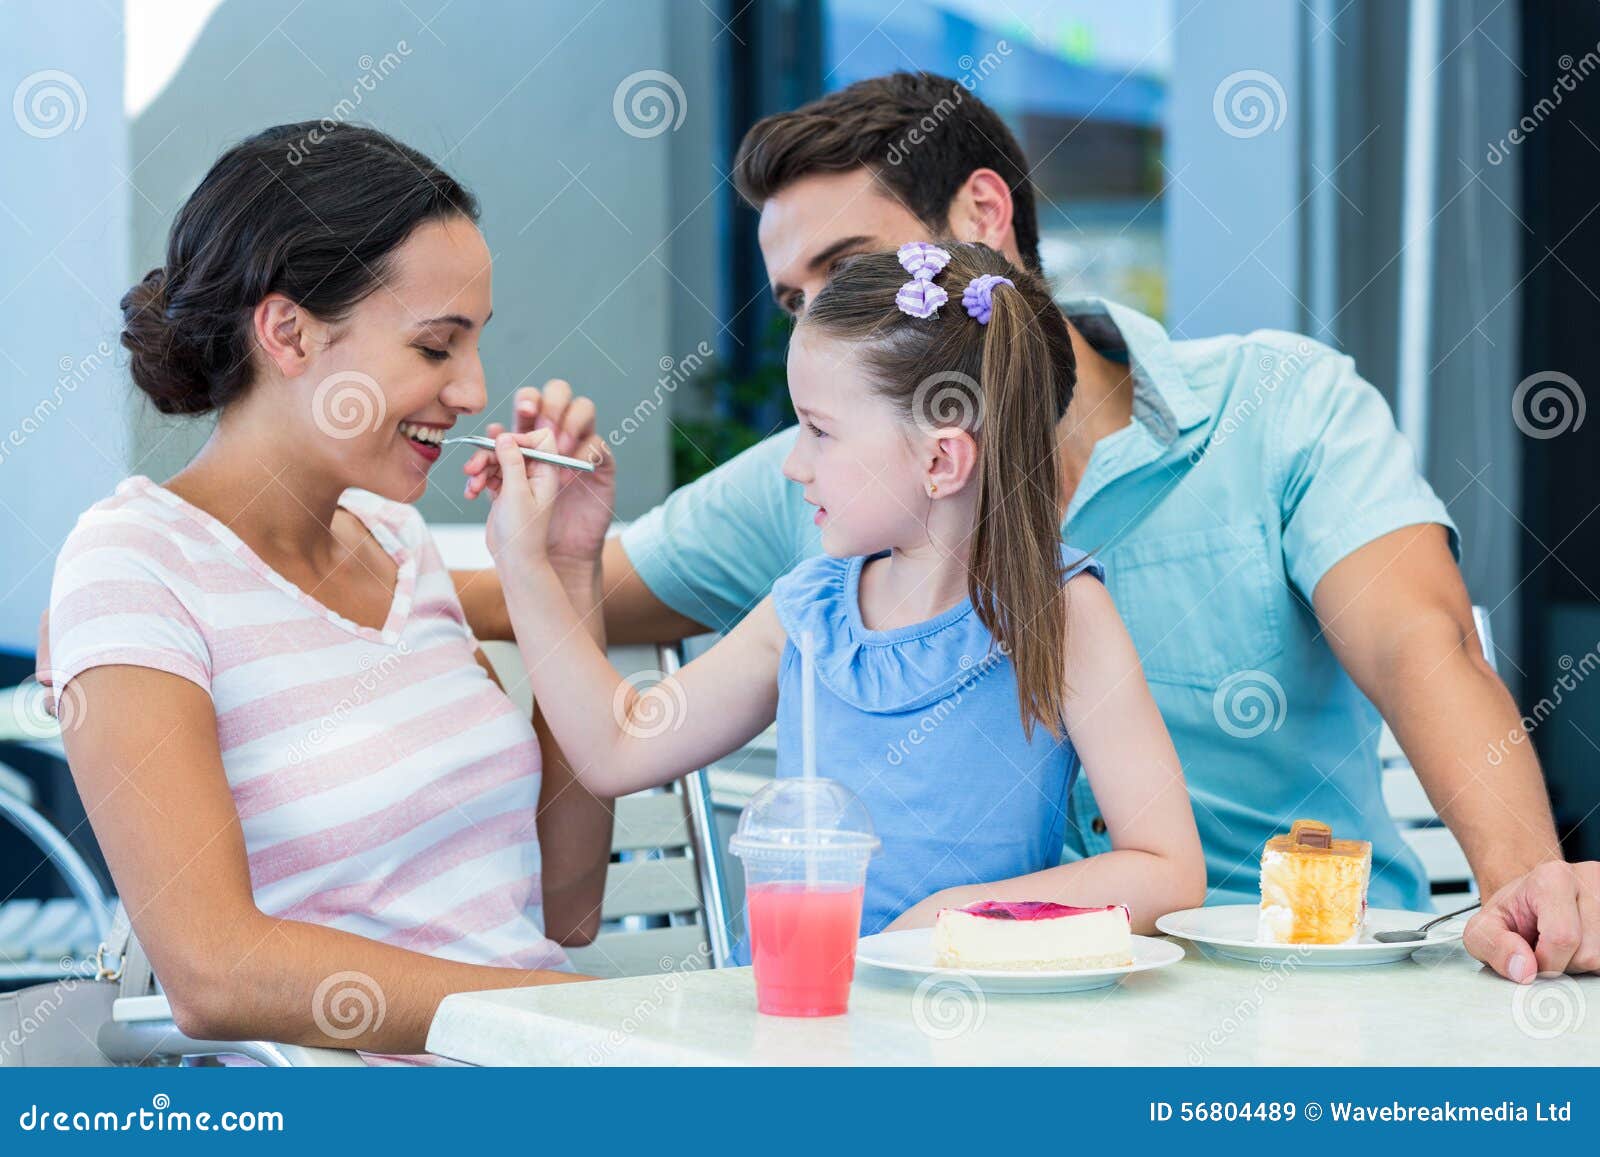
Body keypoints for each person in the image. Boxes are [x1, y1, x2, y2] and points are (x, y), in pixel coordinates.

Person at [46, 123, 613, 1061]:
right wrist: (547, 1017)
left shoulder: (400, 542)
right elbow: (213, 968)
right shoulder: (132, 568)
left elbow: (568, 903)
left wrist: (568, 572)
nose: (472, 389)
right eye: (436, 347)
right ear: (289, 332)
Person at [476, 242, 1205, 939]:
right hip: (799, 1027)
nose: (795, 464)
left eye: (819, 432)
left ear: (941, 458)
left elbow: (1166, 871)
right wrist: (529, 562)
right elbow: (618, 746)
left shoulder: (1062, 613)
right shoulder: (810, 609)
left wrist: (954, 915)